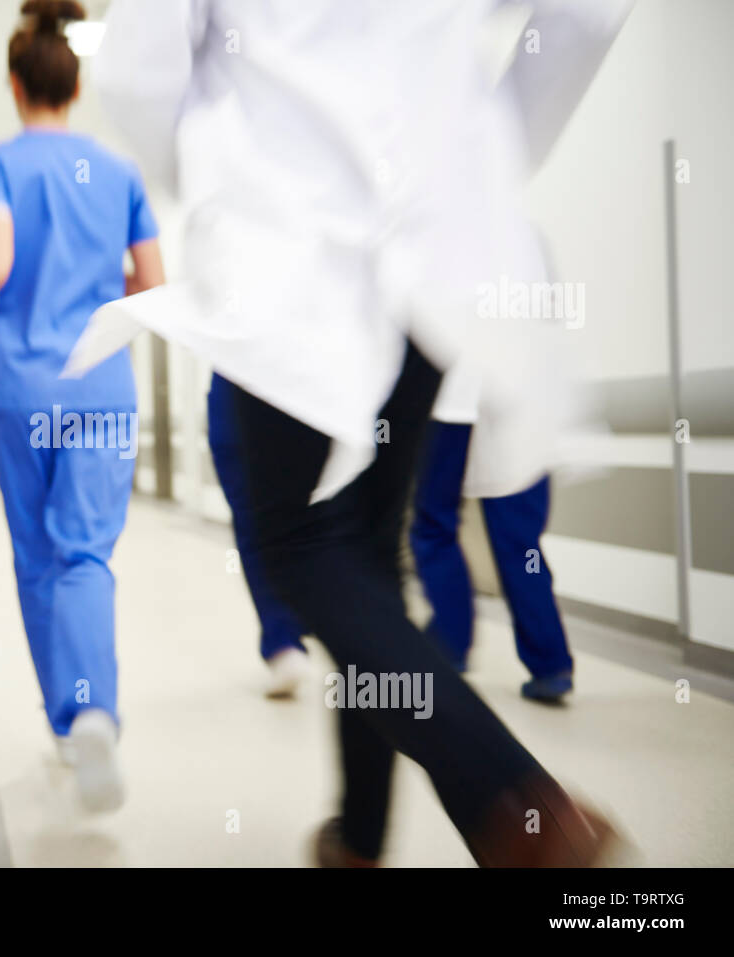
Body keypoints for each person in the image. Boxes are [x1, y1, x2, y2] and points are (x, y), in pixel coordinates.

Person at [78, 0, 632, 864]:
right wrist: (480, 158)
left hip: (289, 246)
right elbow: (586, 15)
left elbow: (134, 67)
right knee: (364, 567)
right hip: (431, 252)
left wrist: (218, 178)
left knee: (306, 553)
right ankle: (361, 834)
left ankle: (517, 802)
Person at [0, 0, 165, 813]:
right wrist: (89, 281)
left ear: (16, 84)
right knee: (85, 554)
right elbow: (151, 284)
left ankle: (64, 719)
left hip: (20, 387)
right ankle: (94, 714)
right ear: (74, 86)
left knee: (35, 555)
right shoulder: (118, 173)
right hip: (101, 384)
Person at [411, 407, 576, 701]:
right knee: (522, 543)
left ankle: (449, 647)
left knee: (435, 526)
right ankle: (551, 665)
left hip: (451, 406)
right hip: (517, 403)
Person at [207, 372, 309, 697]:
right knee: (297, 513)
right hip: (299, 373)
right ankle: (291, 634)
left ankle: (284, 642)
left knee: (252, 515)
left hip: (245, 367)